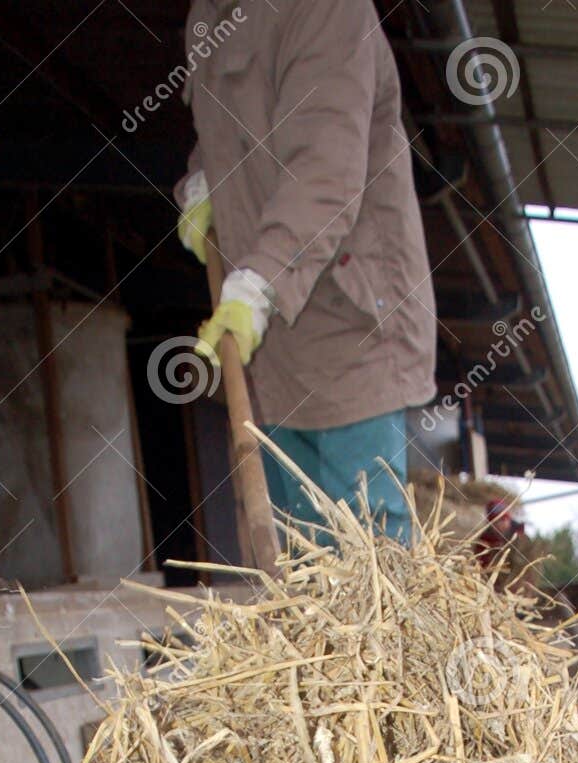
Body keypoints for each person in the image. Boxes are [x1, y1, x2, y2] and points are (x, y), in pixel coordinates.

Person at [175, 0, 436, 544]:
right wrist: (202, 184)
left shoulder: (326, 9)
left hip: (349, 325)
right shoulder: (209, 14)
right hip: (271, 354)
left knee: (369, 562)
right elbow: (229, 136)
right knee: (300, 570)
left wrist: (256, 285)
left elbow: (325, 174)